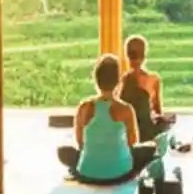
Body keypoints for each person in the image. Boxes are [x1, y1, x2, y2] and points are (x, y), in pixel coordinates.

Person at [57, 54, 157, 184]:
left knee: (63, 151)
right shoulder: (126, 109)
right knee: (151, 148)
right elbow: (132, 142)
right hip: (120, 174)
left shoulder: (84, 107)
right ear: (118, 81)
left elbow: (80, 142)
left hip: (86, 173)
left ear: (96, 79)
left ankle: (83, 170)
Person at [120, 35, 170, 143]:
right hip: (146, 135)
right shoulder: (153, 80)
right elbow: (158, 111)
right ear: (144, 54)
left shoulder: (121, 81)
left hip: (124, 135)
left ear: (126, 55)